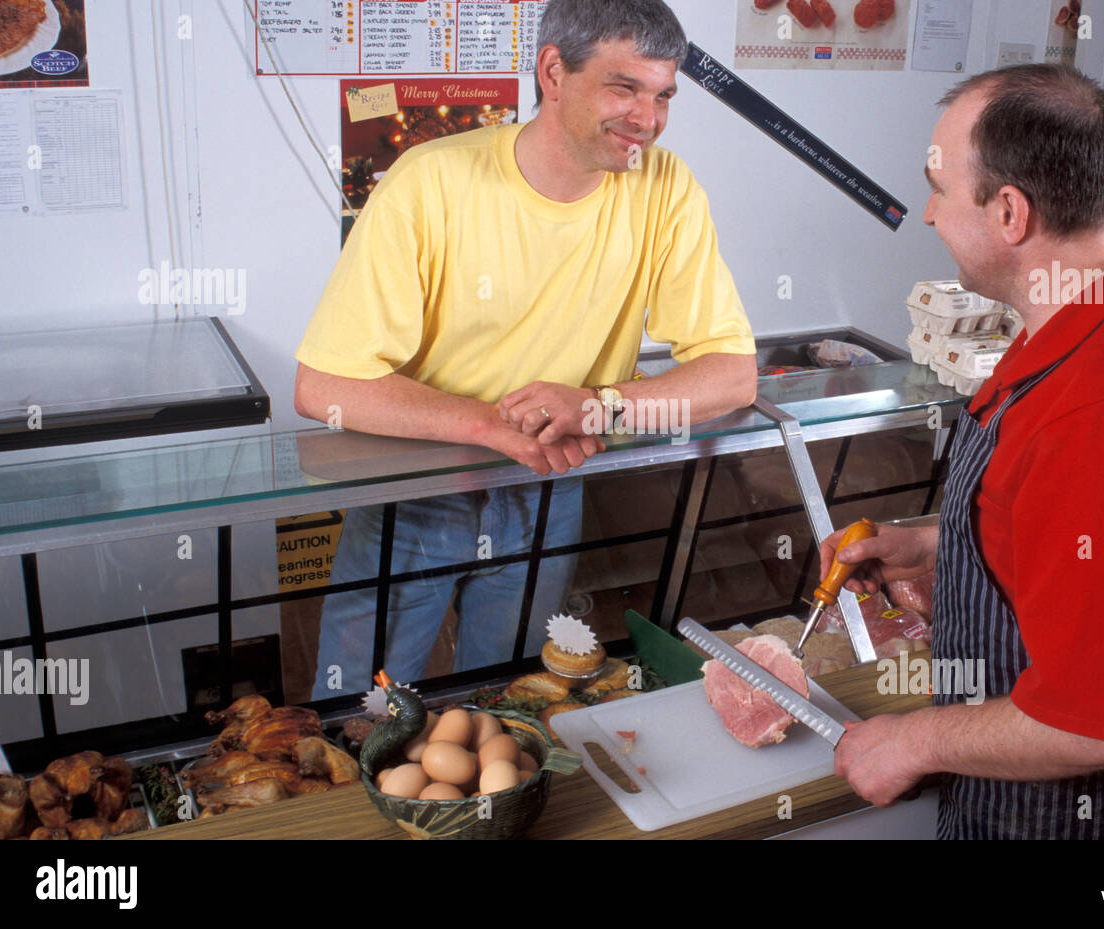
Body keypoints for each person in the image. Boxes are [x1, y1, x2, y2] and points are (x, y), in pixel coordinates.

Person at [821, 64, 1104, 839]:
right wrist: (934, 544)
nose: (927, 213)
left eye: (942, 189)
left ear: (1010, 213)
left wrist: (912, 738)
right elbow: (1071, 537)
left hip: (1101, 821)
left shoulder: (1103, 408)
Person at [294, 0, 757, 698]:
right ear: (552, 72)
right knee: (361, 706)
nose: (649, 118)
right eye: (624, 87)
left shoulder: (667, 189)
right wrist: (489, 426)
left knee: (507, 702)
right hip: (419, 487)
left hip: (550, 490)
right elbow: (325, 386)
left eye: (663, 95)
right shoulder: (430, 180)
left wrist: (599, 408)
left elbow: (734, 376)